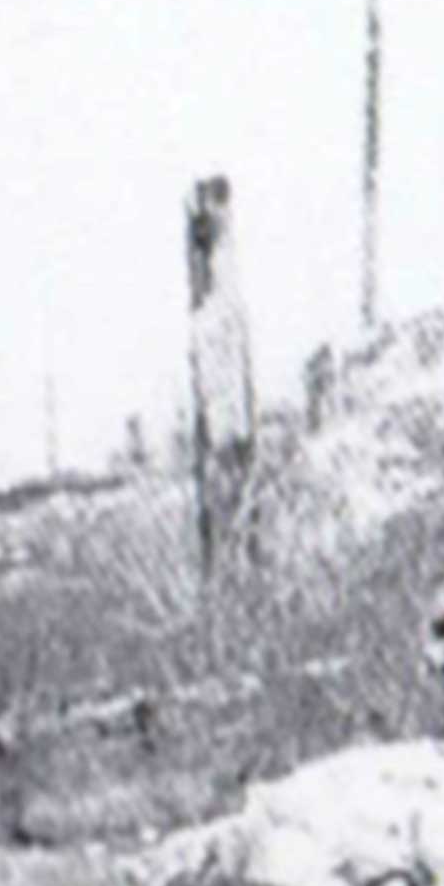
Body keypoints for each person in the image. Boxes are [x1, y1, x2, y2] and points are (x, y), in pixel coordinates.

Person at [184, 172, 265, 603]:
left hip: (229, 427)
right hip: (221, 425)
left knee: (235, 500)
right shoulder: (211, 312)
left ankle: (236, 581)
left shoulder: (224, 306)